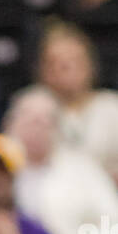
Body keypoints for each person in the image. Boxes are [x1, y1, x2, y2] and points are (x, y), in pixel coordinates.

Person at [3, 84, 118, 234]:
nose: (36, 128)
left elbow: (115, 227)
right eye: (28, 119)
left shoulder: (84, 169)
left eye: (45, 121)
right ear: (11, 123)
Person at [34, 19, 118, 180]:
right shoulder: (31, 105)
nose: (65, 69)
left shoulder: (112, 106)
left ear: (91, 65)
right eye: (55, 63)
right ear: (42, 69)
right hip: (46, 198)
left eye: (73, 61)